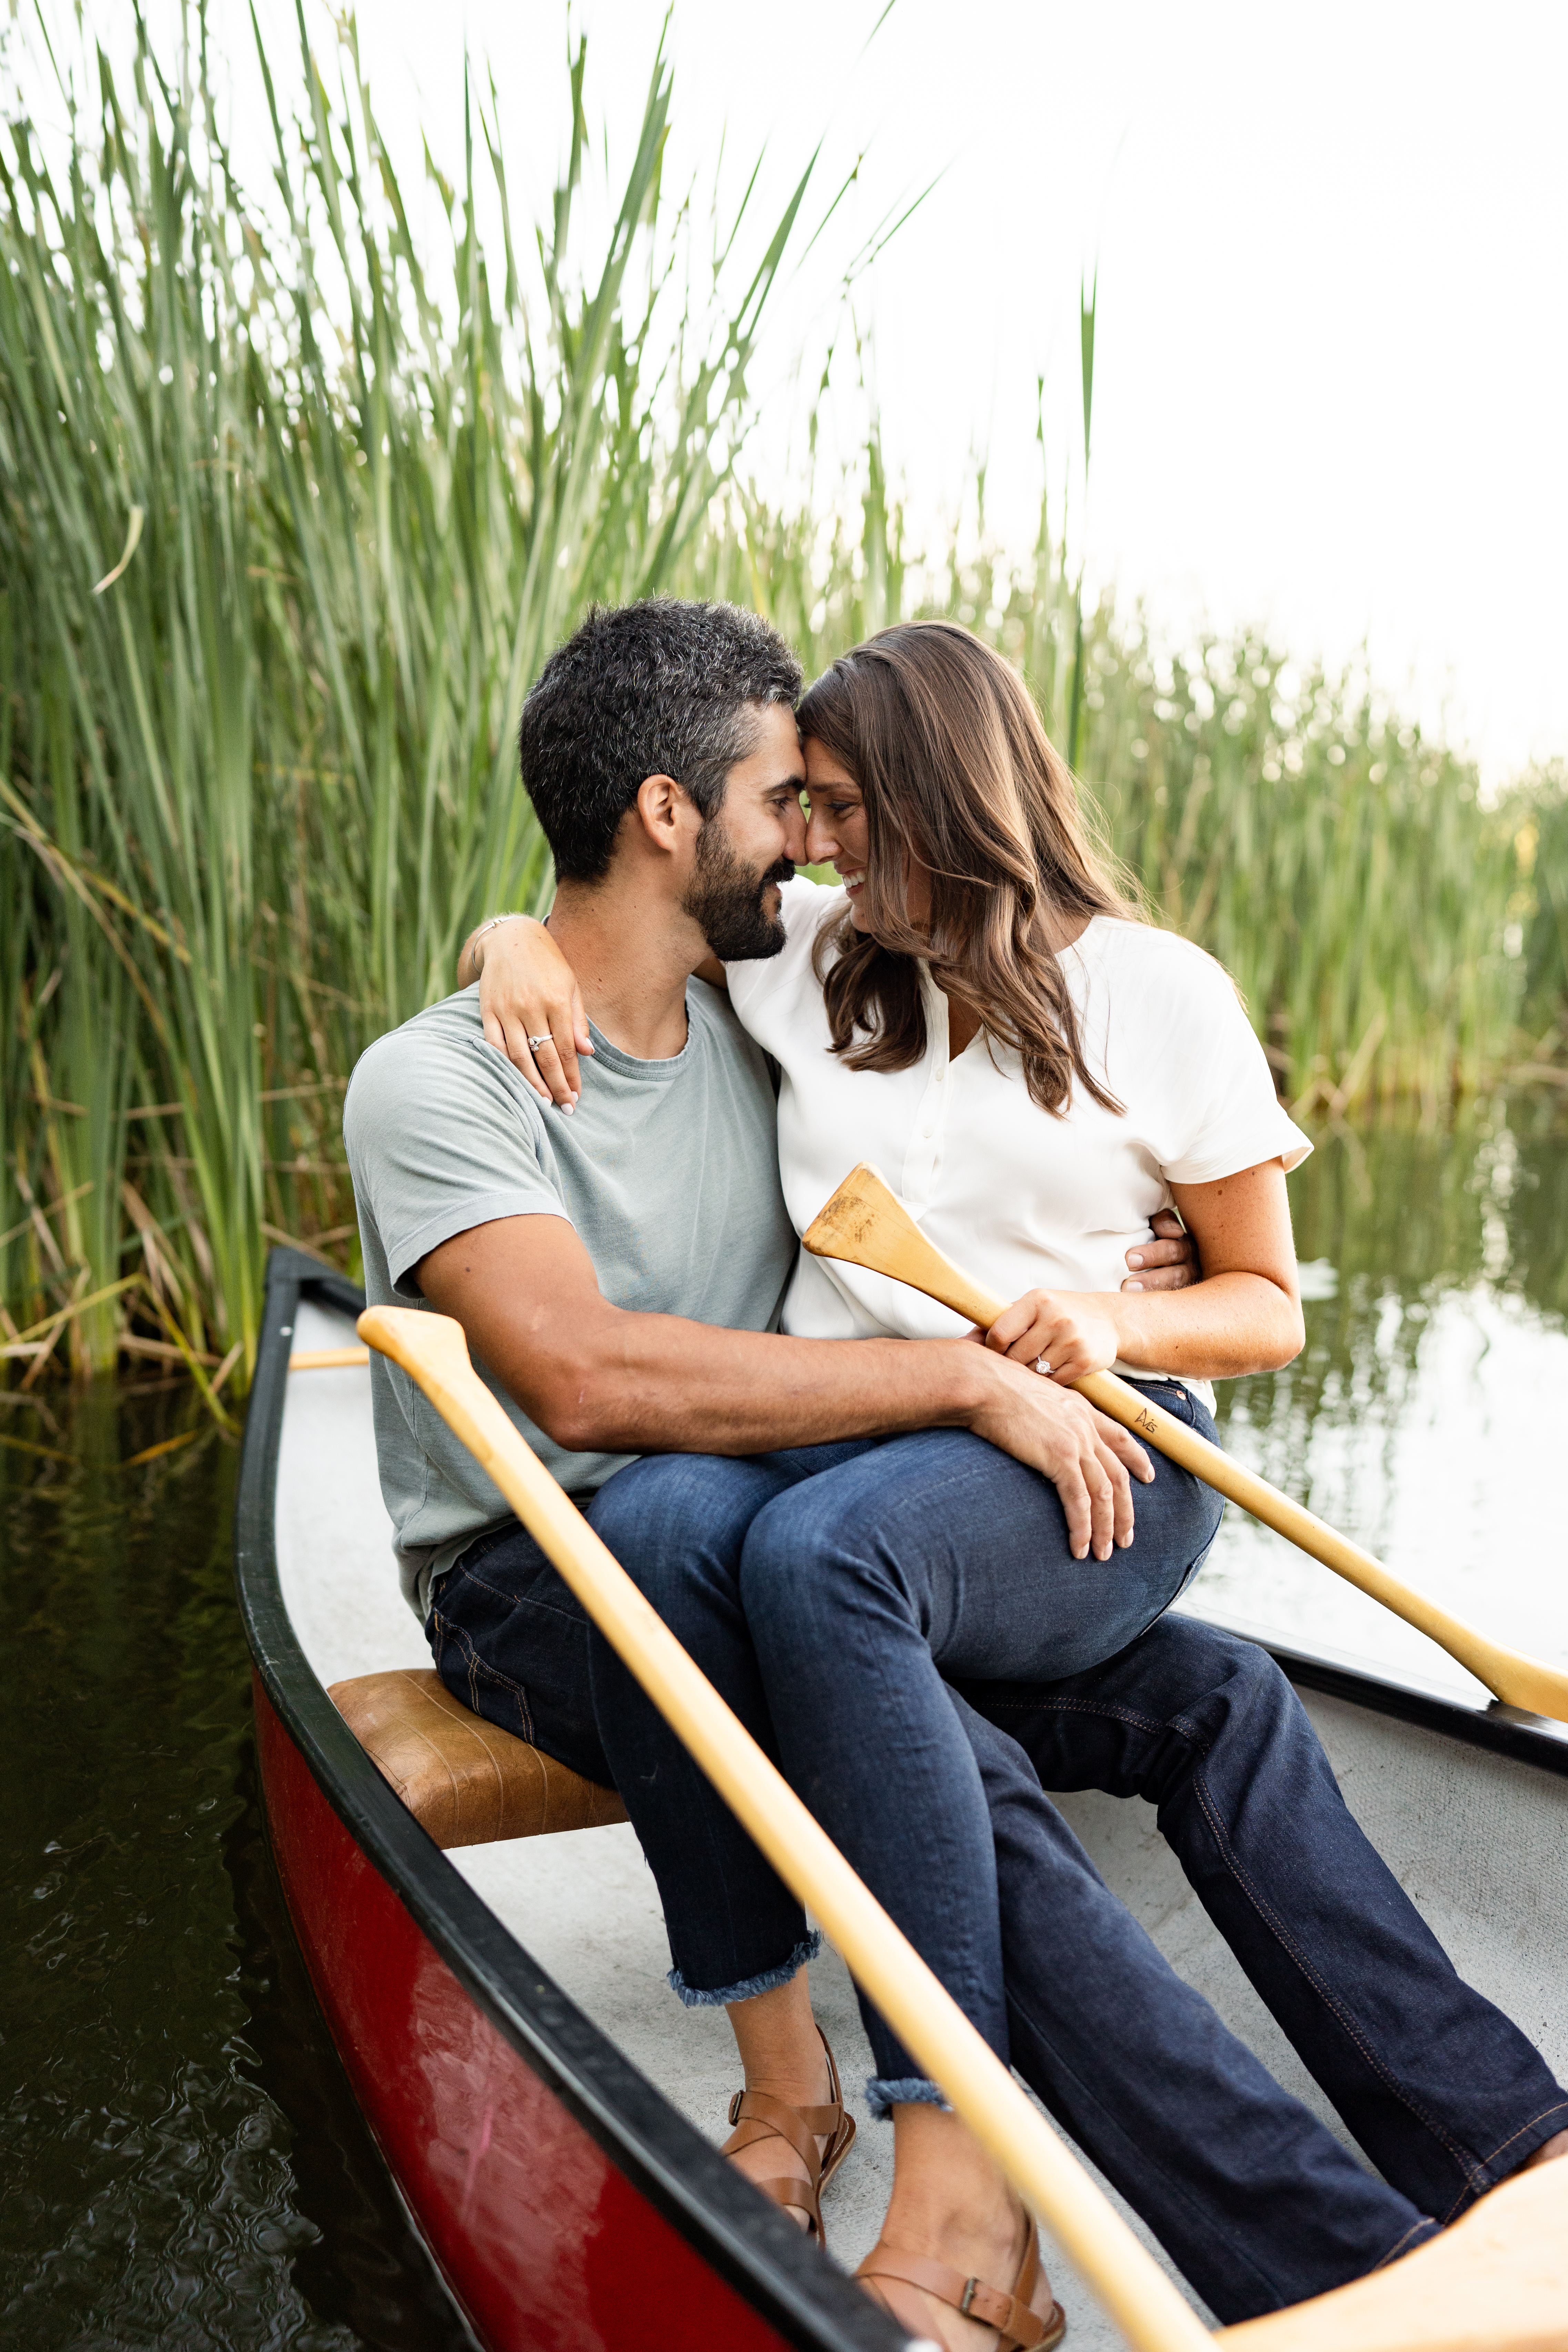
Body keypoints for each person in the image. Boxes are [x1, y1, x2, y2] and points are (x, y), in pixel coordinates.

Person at [462, 609, 1565, 2346]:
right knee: (719, 1536)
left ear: (939, 797)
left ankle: (959, 2155)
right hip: (864, 1444)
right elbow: (634, 912)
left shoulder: (1157, 992)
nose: (813, 844)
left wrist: (1112, 1322)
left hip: (1095, 1460)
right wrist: (506, 936)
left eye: (839, 807)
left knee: (825, 1564)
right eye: (801, 806)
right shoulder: (819, 956)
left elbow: (1265, 1305)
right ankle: (1463, 2163)